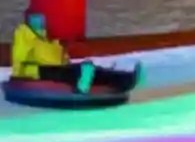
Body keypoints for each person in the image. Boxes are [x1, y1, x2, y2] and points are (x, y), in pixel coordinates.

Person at [9, 10, 142, 95]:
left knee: (91, 70)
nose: (40, 24)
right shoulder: (24, 35)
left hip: (54, 67)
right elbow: (20, 57)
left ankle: (124, 79)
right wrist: (19, 74)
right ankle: (82, 84)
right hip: (36, 71)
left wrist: (62, 53)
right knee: (72, 72)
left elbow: (58, 58)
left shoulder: (47, 41)